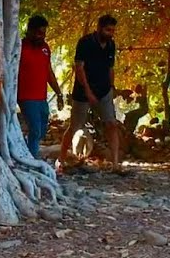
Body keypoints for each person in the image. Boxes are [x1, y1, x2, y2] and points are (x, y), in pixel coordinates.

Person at [59, 14, 122, 170]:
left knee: (112, 124)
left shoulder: (111, 45)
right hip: (83, 91)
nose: (110, 33)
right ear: (99, 28)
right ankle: (60, 158)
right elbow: (79, 68)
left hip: (104, 90)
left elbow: (110, 68)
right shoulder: (85, 43)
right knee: (75, 126)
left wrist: (112, 87)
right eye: (108, 30)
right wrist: (87, 91)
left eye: (113, 30)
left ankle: (115, 163)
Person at [16, 15, 64, 158]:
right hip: (25, 96)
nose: (41, 36)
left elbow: (49, 72)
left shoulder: (45, 48)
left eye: (43, 33)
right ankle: (32, 159)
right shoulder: (19, 47)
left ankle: (24, 147)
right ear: (29, 30)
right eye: (38, 33)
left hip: (41, 97)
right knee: (35, 130)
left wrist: (59, 93)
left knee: (42, 130)